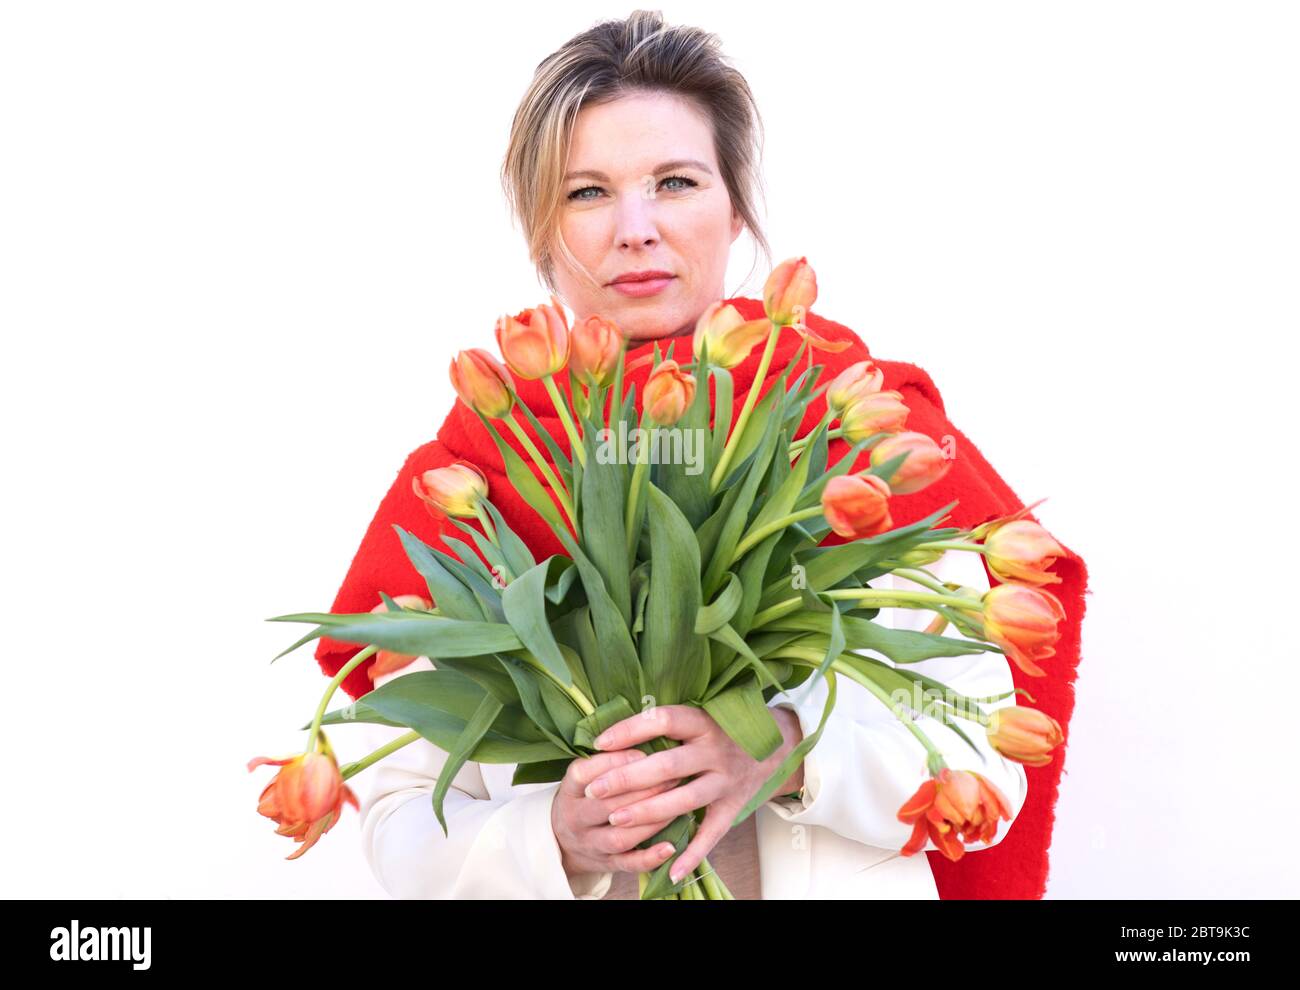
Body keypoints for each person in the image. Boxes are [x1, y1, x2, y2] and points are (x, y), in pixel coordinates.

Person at [313, 10, 1089, 900]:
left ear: (734, 210)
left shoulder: (860, 434)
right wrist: (552, 838)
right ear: (541, 233)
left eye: (676, 181)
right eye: (586, 192)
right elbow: (398, 821)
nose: (635, 228)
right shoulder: (472, 481)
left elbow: (978, 734)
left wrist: (784, 752)